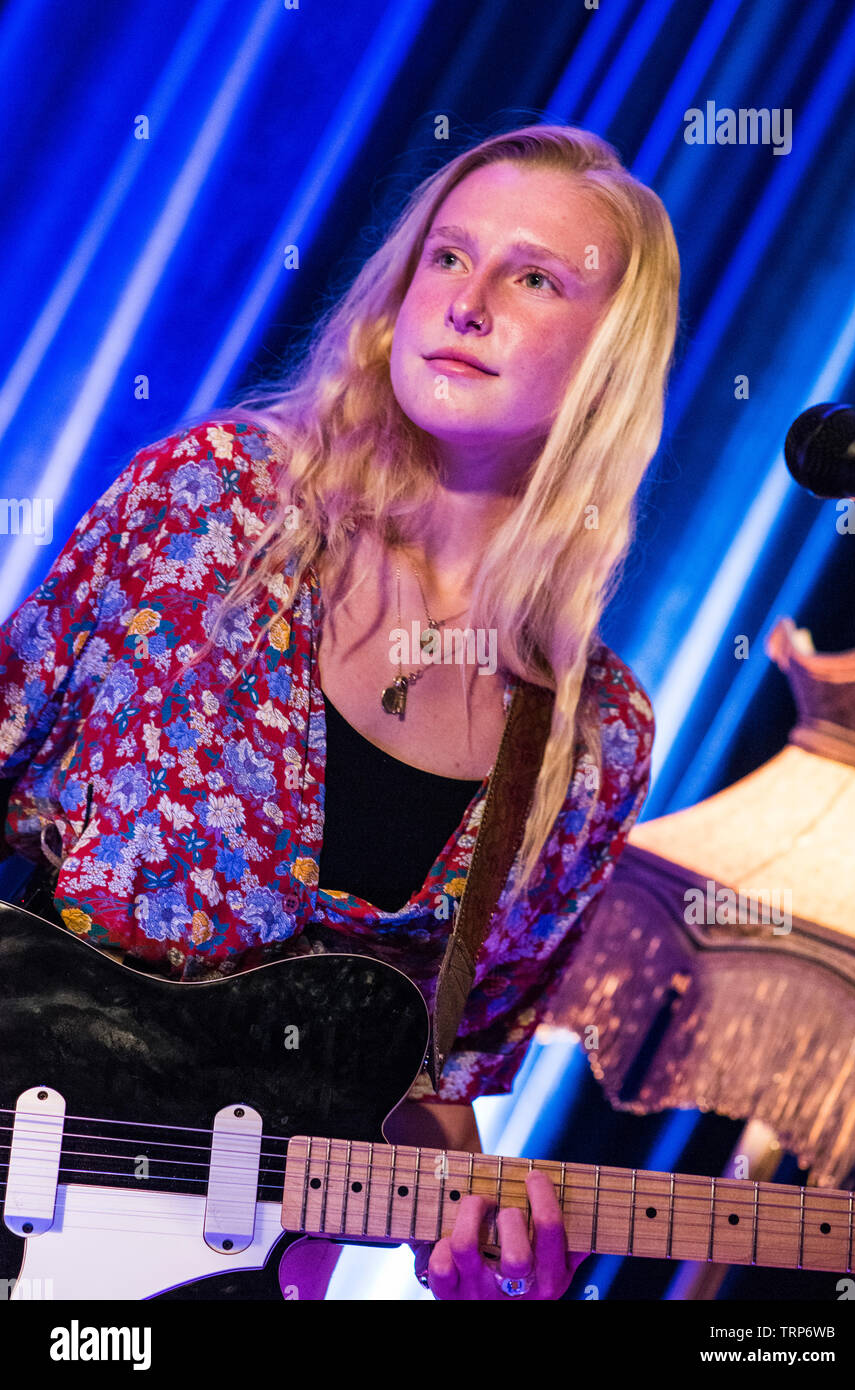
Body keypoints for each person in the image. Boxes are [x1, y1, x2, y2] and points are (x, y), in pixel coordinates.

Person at [0, 122, 679, 1300]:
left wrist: (473, 1257)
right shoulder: (211, 509)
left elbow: (432, 1103)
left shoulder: (593, 742)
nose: (467, 304)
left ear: (613, 361)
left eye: (533, 278)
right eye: (448, 258)